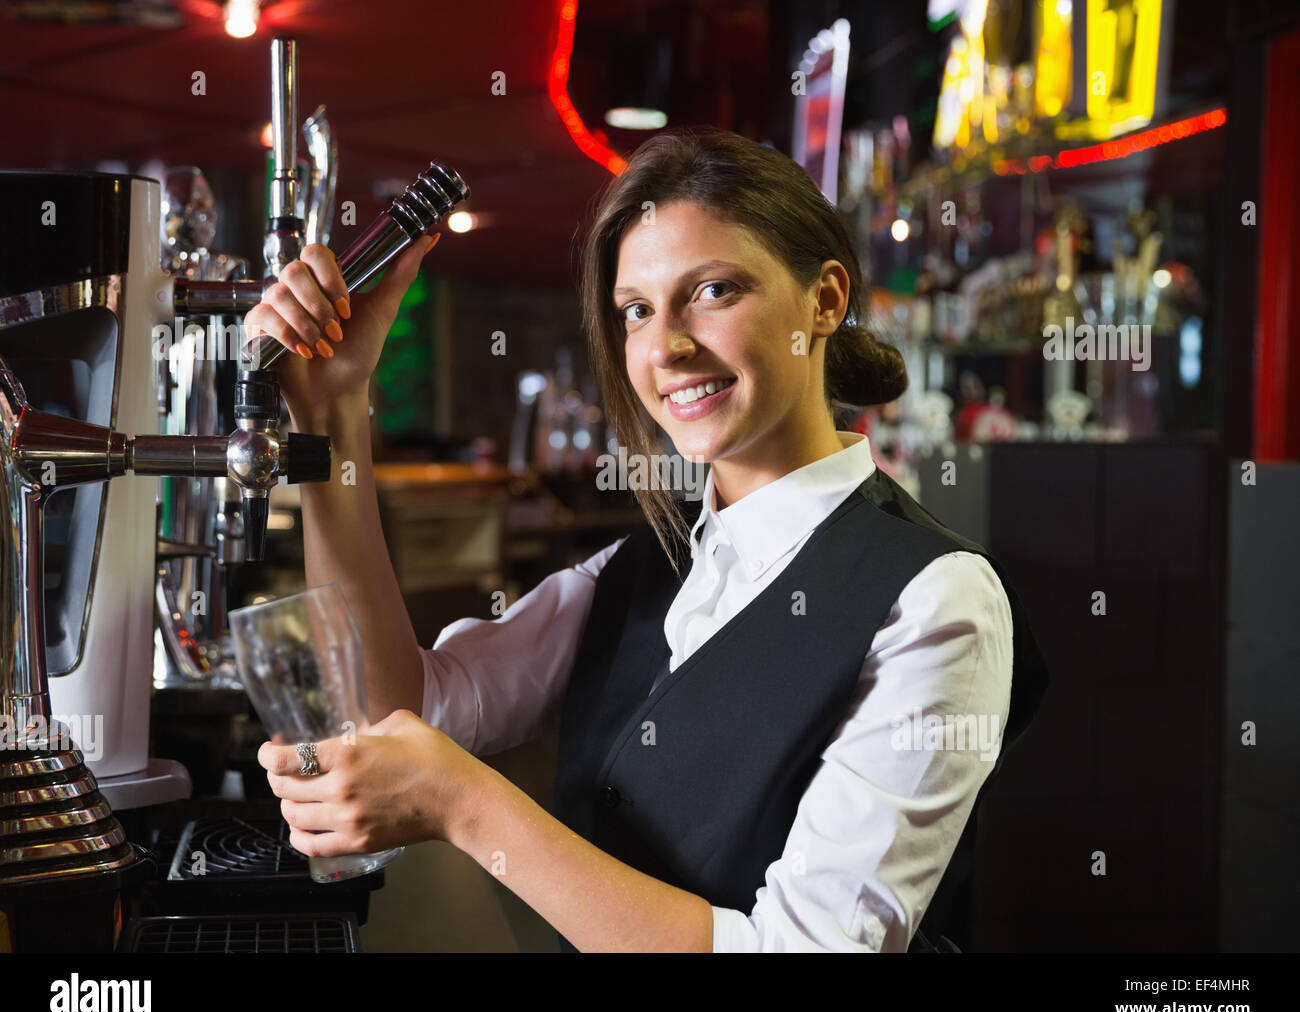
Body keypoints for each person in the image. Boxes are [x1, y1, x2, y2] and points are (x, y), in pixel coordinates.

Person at [247, 129, 1048, 953]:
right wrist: (333, 413)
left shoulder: (935, 598)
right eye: (637, 309)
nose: (665, 345)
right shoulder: (642, 567)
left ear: (825, 299)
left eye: (712, 291)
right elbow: (393, 710)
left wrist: (466, 804)